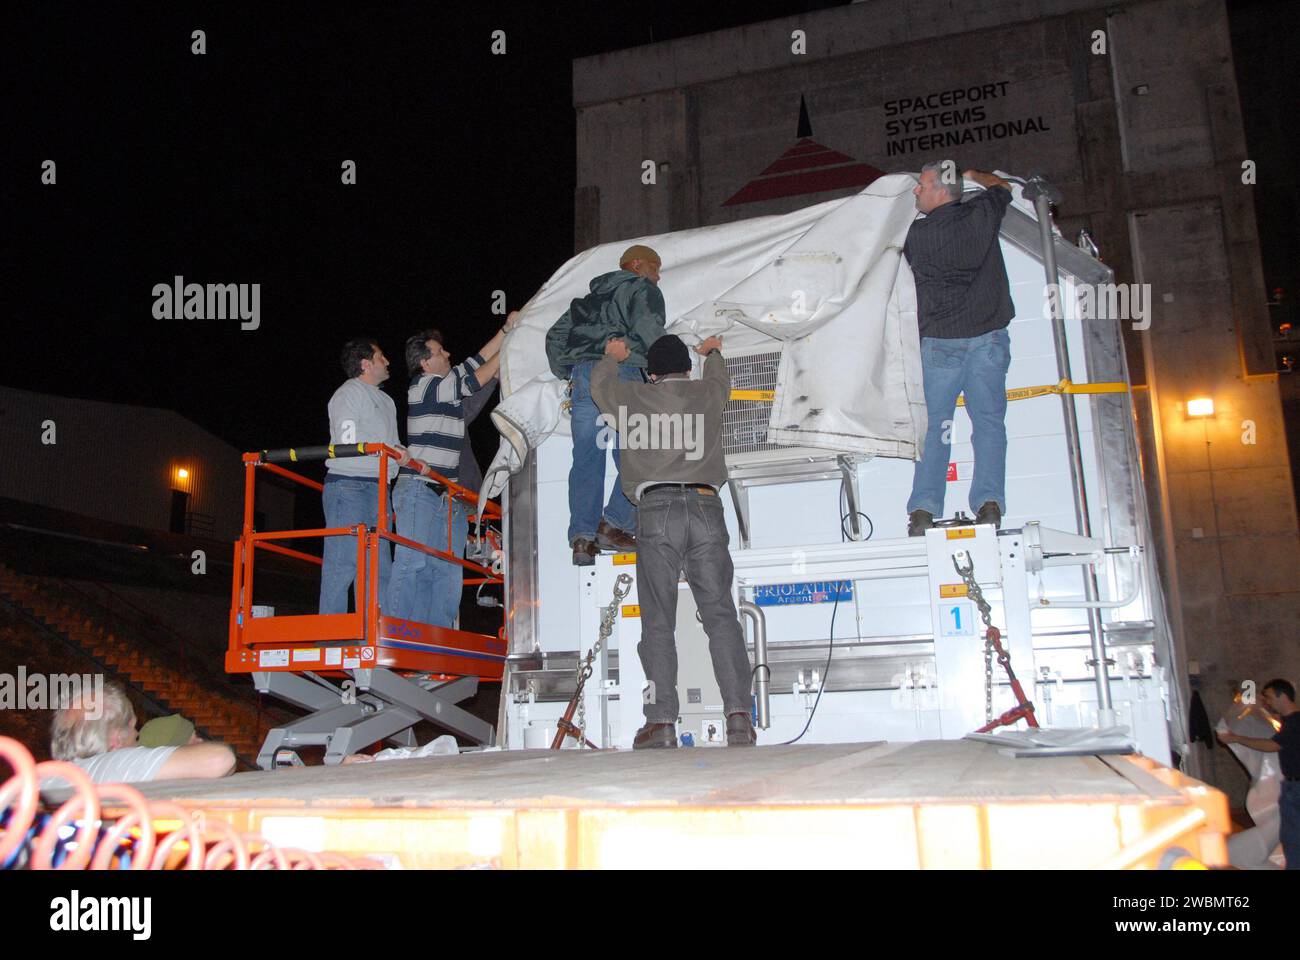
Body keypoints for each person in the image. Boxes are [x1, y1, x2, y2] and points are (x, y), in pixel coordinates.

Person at [591, 332, 755, 749]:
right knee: (721, 616)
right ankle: (739, 718)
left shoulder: (632, 397)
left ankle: (661, 721)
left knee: (658, 622)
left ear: (651, 373)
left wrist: (611, 358)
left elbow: (599, 388)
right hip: (705, 506)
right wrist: (713, 352)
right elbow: (721, 379)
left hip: (655, 511)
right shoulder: (707, 393)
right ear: (686, 368)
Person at [903, 162, 1015, 536]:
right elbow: (1001, 185)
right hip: (989, 341)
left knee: (935, 428)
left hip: (941, 346)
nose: (916, 191)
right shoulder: (984, 214)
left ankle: (923, 509)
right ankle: (989, 504)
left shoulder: (916, 237)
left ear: (939, 190)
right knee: (988, 424)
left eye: (921, 185)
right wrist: (975, 176)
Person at [546, 245, 667, 565]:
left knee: (587, 456)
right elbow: (649, 328)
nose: (658, 276)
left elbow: (554, 337)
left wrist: (568, 371)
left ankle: (583, 538)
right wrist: (663, 370)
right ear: (638, 265)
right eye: (656, 268)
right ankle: (614, 523)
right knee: (644, 450)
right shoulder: (641, 288)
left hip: (584, 377)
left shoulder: (587, 301)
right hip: (622, 373)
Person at [387, 320, 509, 627]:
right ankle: (394, 633)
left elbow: (476, 363)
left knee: (446, 569)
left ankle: (436, 641)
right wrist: (510, 345)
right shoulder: (424, 386)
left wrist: (505, 332)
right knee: (412, 561)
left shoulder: (444, 387)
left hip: (446, 495)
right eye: (441, 352)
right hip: (419, 490)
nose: (448, 354)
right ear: (426, 362)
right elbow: (475, 379)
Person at [320, 337, 409, 614]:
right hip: (349, 486)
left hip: (380, 488)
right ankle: (330, 637)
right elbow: (349, 442)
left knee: (379, 567)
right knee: (343, 562)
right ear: (365, 364)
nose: (387, 361)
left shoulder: (386, 400)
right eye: (381, 356)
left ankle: (373, 636)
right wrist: (389, 451)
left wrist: (400, 454)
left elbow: (390, 442)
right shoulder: (349, 393)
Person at [49, 682, 235, 783]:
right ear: (115, 740)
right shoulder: (115, 764)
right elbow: (220, 759)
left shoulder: (49, 777)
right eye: (132, 728)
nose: (137, 735)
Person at [1219, 678, 1298, 870]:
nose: (1267, 702)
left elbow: (1272, 745)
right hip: (1292, 786)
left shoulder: (1296, 722)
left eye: (1270, 697)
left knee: (1292, 836)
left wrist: (1236, 738)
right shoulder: (1287, 722)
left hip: (1295, 788)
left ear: (1283, 696)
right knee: (1290, 834)